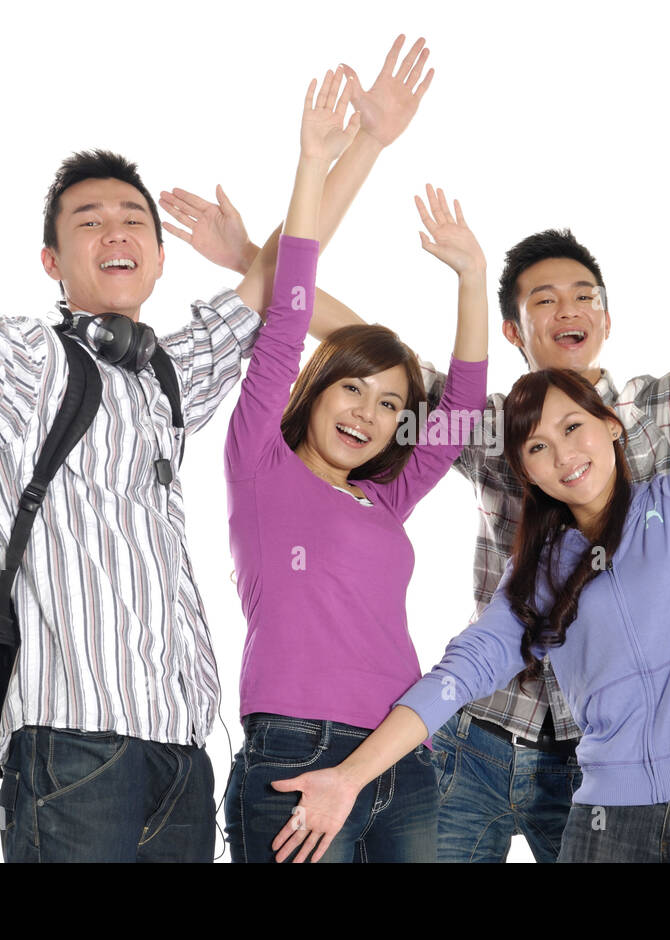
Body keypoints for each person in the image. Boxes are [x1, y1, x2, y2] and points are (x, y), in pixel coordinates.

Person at [171, 108, 670, 861]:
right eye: (543, 301)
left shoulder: (659, 414)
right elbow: (380, 363)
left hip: (597, 756)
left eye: (583, 296)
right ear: (515, 330)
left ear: (606, 323)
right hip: (477, 735)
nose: (567, 309)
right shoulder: (494, 431)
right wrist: (258, 270)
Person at [0, 115, 282, 860]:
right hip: (73, 746)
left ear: (162, 257)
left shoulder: (168, 373)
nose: (117, 232)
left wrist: (347, 147)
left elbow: (275, 278)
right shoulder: (35, 367)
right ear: (52, 260)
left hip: (186, 749)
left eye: (135, 220)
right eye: (90, 222)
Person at [219, 68, 489, 863]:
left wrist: (473, 276)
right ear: (314, 386)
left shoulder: (388, 497)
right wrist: (316, 161)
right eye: (352, 387)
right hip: (296, 751)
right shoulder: (260, 464)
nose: (366, 413)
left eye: (387, 404)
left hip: (404, 759)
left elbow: (464, 408)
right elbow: (289, 308)